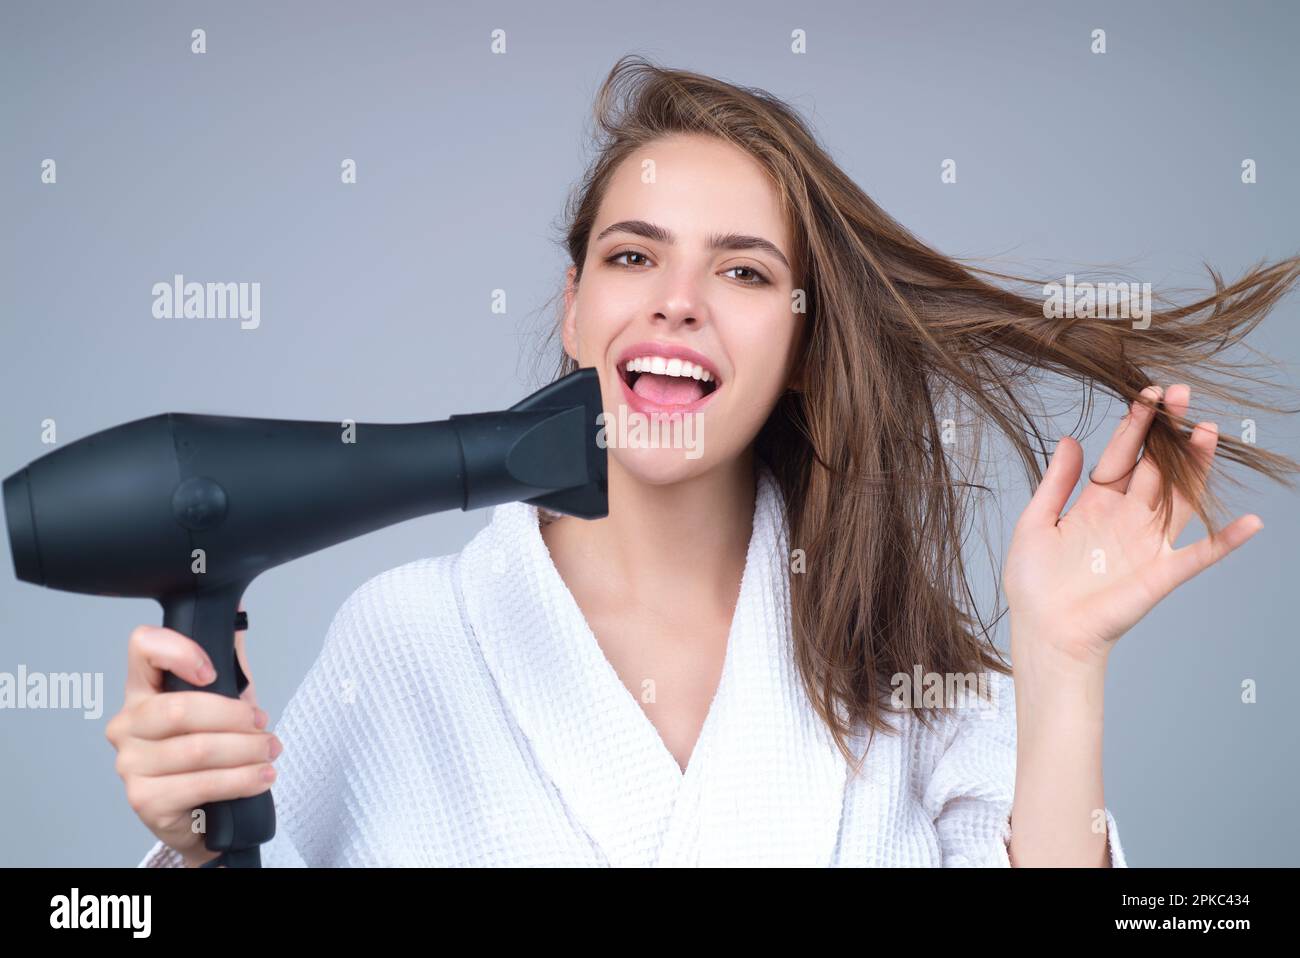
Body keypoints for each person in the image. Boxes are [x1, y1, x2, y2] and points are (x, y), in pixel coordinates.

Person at [109, 55, 1299, 867]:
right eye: (633, 257)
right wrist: (200, 831)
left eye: (739, 271)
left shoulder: (910, 665)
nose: (677, 302)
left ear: (797, 338)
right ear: (575, 308)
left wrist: (1060, 660)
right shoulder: (406, 639)